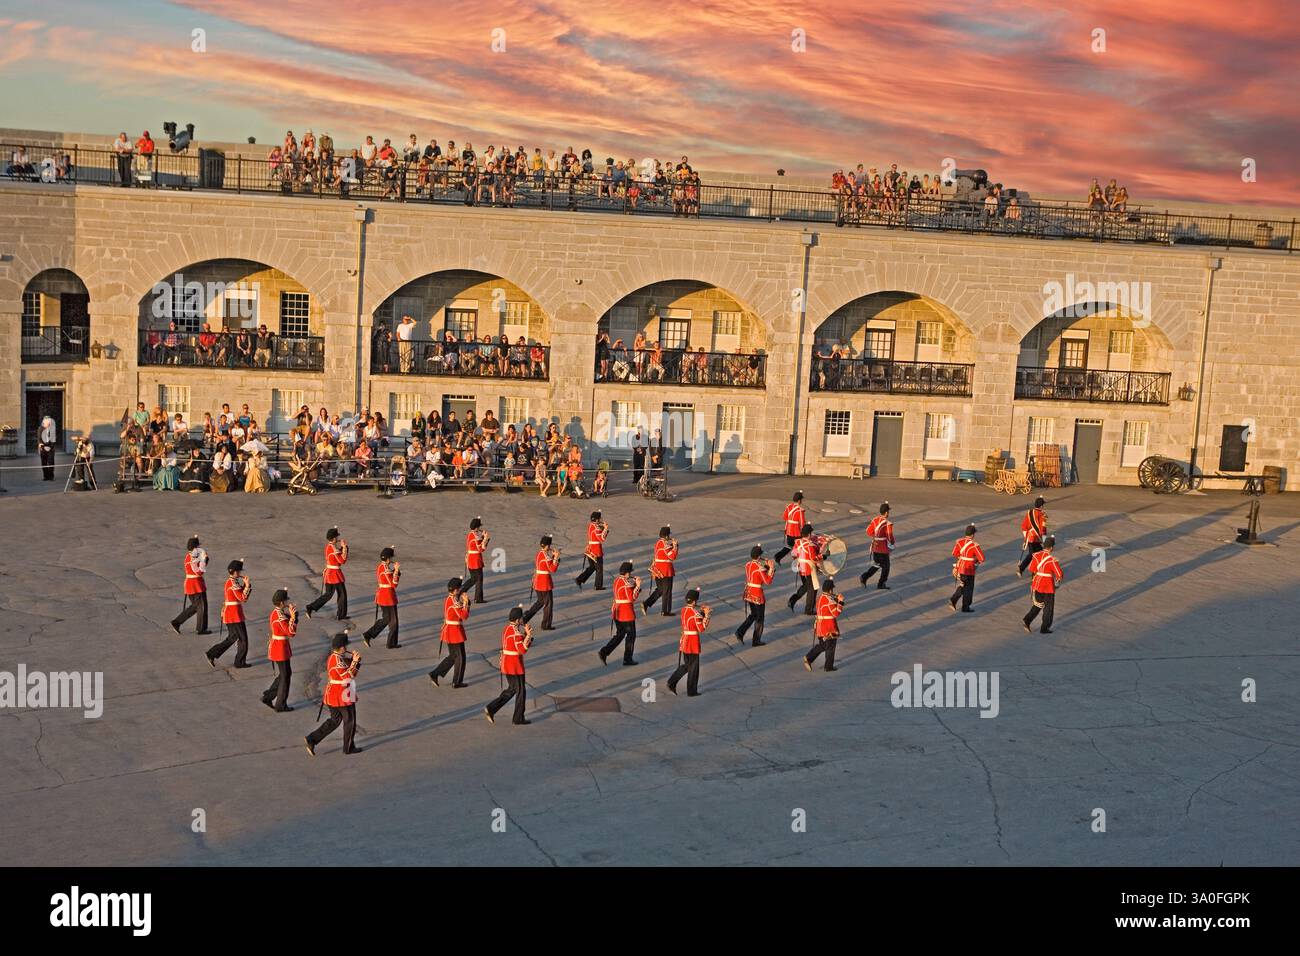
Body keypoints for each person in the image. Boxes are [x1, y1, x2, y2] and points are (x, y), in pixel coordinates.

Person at [306, 631, 363, 756]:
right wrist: (355, 662)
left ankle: (312, 738)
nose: (346, 648)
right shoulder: (337, 661)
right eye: (345, 646)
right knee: (350, 720)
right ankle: (348, 747)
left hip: (333, 694)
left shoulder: (334, 657)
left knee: (335, 720)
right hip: (342, 694)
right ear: (342, 647)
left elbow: (346, 666)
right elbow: (350, 675)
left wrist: (354, 661)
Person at [484, 607, 533, 725]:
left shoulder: (508, 628)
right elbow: (522, 650)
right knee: (521, 691)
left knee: (512, 689)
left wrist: (525, 634)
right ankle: (518, 718)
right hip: (514, 665)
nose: (522, 619)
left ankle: (492, 708)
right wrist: (528, 635)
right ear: (517, 620)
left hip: (507, 663)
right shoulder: (516, 633)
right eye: (521, 618)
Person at [206, 559, 252, 668]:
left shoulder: (231, 582)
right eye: (239, 571)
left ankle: (212, 653)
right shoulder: (233, 583)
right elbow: (243, 598)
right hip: (234, 614)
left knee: (233, 637)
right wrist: (247, 585)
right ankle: (239, 662)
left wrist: (245, 586)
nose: (240, 573)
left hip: (232, 613)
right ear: (235, 572)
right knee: (243, 639)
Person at [261, 588, 298, 711]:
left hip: (280, 646)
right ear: (281, 603)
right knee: (285, 676)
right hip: (280, 648)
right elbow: (290, 632)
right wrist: (293, 617)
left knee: (285, 674)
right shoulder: (280, 616)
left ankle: (268, 696)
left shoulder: (277, 613)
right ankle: (280, 704)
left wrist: (292, 616)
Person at [667, 589, 709, 696]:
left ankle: (672, 681)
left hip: (685, 639)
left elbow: (693, 617)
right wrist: (707, 615)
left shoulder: (684, 610)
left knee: (687, 665)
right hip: (692, 641)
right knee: (694, 667)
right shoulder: (695, 614)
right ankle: (691, 690)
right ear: (694, 601)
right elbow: (701, 628)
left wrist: (702, 613)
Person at [430, 579, 471, 687]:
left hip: (451, 629)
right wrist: (466, 603)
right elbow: (464, 616)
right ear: (456, 590)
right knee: (460, 658)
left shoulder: (450, 599)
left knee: (454, 656)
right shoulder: (454, 601)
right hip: (454, 631)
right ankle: (456, 682)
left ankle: (435, 673)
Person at [599, 561, 641, 666]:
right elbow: (631, 598)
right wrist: (638, 586)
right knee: (631, 635)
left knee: (620, 634)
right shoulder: (626, 582)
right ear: (627, 573)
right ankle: (627, 658)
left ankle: (605, 651)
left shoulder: (617, 580)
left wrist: (634, 584)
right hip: (626, 612)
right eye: (630, 573)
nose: (631, 574)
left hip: (617, 611)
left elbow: (626, 588)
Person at [169, 535, 211, 635]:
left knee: (195, 607)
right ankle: (201, 629)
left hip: (190, 585)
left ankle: (177, 622)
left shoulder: (188, 556)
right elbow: (199, 572)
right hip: (196, 585)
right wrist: (205, 561)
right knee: (202, 607)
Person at [1022, 535, 1063, 634]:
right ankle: (1044, 627)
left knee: (1038, 604)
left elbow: (1032, 569)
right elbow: (1059, 574)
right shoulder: (1051, 560)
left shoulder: (1036, 556)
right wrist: (1057, 582)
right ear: (1052, 548)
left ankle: (1027, 619)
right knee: (1048, 608)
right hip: (1048, 585)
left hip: (1037, 583)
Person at [306, 527, 349, 620]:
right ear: (334, 538)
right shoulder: (333, 548)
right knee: (342, 594)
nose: (337, 539)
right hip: (335, 574)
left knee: (328, 594)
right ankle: (341, 615)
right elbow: (342, 560)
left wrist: (342, 548)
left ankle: (311, 607)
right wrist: (345, 548)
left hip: (330, 573)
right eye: (337, 537)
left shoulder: (329, 546)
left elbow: (337, 556)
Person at [736, 545, 774, 646]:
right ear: (758, 556)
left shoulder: (748, 564)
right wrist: (771, 569)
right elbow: (767, 581)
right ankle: (756, 640)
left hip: (749, 592)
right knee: (759, 618)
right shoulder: (759, 567)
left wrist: (766, 568)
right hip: (757, 594)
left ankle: (740, 632)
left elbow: (756, 575)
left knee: (753, 614)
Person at [362, 547, 401, 648]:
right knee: (393, 621)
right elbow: (394, 584)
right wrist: (396, 571)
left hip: (383, 595)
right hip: (387, 596)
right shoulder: (385, 569)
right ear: (388, 559)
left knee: (387, 619)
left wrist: (394, 571)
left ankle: (372, 635)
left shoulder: (382, 567)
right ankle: (387, 641)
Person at [804, 578, 844, 673]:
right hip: (828, 627)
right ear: (830, 590)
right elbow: (835, 613)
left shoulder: (821, 597)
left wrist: (836, 599)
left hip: (821, 626)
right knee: (830, 646)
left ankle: (809, 658)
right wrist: (841, 602)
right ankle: (828, 666)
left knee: (823, 645)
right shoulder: (829, 600)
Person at [522, 535, 560, 630]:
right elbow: (552, 569)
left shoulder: (539, 554)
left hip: (538, 581)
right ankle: (546, 624)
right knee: (548, 604)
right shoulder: (546, 556)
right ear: (547, 545)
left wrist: (554, 557)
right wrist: (556, 557)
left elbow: (545, 564)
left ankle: (525, 618)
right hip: (544, 582)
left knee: (540, 602)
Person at [642, 526, 678, 616]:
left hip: (658, 569)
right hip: (666, 569)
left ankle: (647, 603)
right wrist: (675, 546)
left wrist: (672, 545)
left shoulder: (658, 543)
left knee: (661, 589)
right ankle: (665, 611)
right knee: (667, 591)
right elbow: (672, 556)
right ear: (666, 536)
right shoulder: (665, 544)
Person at [949, 524, 985, 613]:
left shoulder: (959, 542)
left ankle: (953, 599)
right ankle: (965, 606)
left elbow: (954, 553)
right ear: (972, 535)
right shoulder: (974, 545)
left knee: (963, 584)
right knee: (969, 588)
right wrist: (974, 560)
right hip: (969, 569)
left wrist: (961, 557)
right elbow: (982, 558)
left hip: (960, 567)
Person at [859, 502, 896, 589]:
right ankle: (881, 584)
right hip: (883, 549)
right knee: (886, 567)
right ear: (886, 512)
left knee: (877, 564)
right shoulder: (887, 523)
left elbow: (868, 531)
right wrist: (892, 542)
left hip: (875, 547)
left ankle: (864, 577)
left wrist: (876, 536)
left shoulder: (875, 520)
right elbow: (890, 536)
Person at [787, 524, 819, 616]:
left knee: (806, 585)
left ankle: (793, 599)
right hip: (809, 569)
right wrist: (823, 556)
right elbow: (814, 558)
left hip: (800, 568)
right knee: (812, 588)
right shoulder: (810, 545)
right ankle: (808, 609)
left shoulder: (797, 542)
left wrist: (799, 559)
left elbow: (793, 554)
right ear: (809, 534)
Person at [574, 510, 608, 590]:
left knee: (592, 567)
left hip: (590, 549)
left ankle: (580, 579)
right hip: (596, 550)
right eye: (599, 519)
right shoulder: (596, 527)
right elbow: (601, 539)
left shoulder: (590, 525)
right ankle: (598, 585)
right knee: (599, 569)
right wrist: (605, 529)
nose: (600, 520)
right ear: (596, 520)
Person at [1018, 496, 1048, 576]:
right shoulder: (1042, 515)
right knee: (1037, 555)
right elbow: (1043, 529)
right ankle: (1031, 571)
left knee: (1033, 554)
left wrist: (1026, 538)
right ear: (1041, 506)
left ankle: (1023, 568)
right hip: (1037, 539)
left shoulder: (1029, 513)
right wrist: (1044, 541)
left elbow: (1024, 526)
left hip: (1030, 538)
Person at [774, 491, 806, 565]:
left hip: (788, 530)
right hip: (796, 532)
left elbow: (784, 517)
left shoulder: (789, 507)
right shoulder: (800, 510)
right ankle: (798, 563)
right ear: (799, 500)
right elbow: (802, 523)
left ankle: (778, 556)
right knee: (800, 547)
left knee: (789, 546)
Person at [462, 517, 488, 603]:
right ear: (476, 527)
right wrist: (486, 538)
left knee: (473, 579)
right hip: (475, 560)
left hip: (470, 559)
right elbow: (481, 549)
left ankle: (461, 591)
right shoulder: (476, 536)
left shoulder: (471, 534)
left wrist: (482, 537)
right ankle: (478, 598)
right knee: (479, 579)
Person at [37, 416, 57, 481]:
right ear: (44, 422)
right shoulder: (40, 429)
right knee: (44, 463)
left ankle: (51, 476)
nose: (48, 423)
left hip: (50, 448)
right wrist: (40, 444)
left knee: (51, 462)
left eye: (49, 422)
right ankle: (45, 476)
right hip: (43, 448)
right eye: (47, 422)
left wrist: (50, 447)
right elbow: (39, 438)